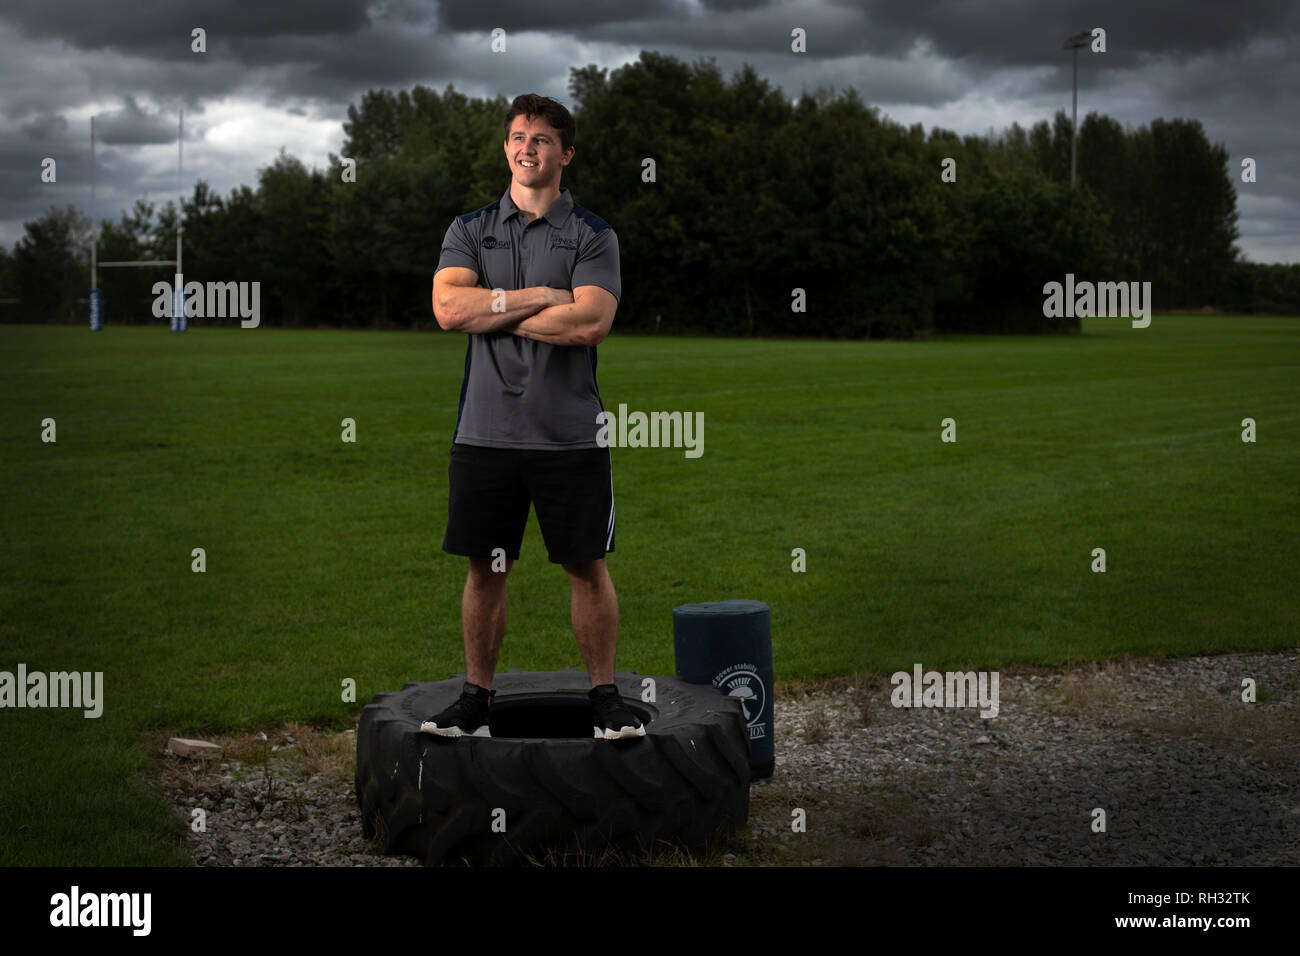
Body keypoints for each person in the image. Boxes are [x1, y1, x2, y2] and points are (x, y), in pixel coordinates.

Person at [423, 93, 644, 740]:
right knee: (486, 568)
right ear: (505, 148)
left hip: (569, 434)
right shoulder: (469, 229)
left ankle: (604, 699)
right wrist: (543, 296)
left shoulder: (593, 235)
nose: (527, 147)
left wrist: (494, 308)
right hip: (484, 433)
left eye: (542, 139)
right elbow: (447, 311)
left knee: (585, 566)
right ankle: (474, 701)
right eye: (517, 136)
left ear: (565, 154)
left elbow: (590, 323)